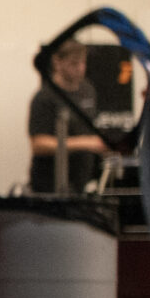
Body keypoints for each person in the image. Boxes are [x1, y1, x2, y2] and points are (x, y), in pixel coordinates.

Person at [28, 39, 108, 194]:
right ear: (57, 63)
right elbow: (39, 144)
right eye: (74, 64)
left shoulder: (88, 90)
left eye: (83, 63)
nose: (80, 68)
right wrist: (86, 143)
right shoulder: (44, 97)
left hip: (82, 182)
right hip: (50, 185)